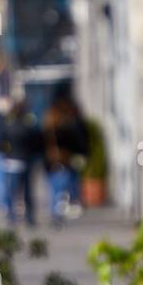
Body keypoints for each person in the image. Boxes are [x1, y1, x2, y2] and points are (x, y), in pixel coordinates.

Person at [43, 87, 89, 227]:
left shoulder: (48, 126)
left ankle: (55, 213)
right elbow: (77, 142)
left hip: (52, 162)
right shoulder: (66, 126)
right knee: (62, 187)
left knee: (56, 189)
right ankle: (58, 213)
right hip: (63, 160)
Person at [0, 98, 42, 226]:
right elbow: (36, 143)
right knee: (27, 190)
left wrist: (6, 154)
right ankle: (29, 217)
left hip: (12, 161)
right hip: (26, 160)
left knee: (12, 190)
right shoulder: (28, 126)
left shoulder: (8, 125)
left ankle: (11, 216)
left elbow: (1, 142)